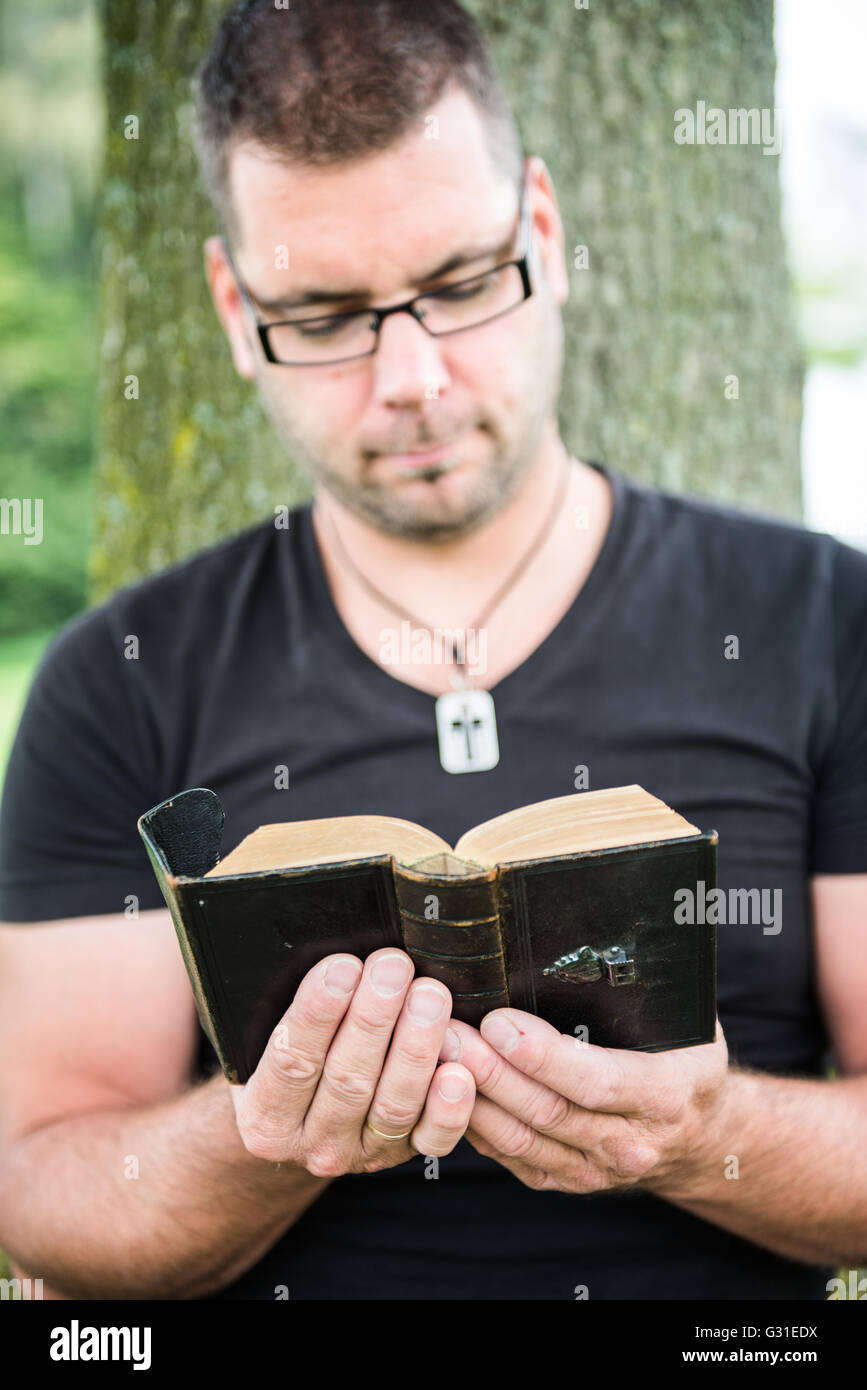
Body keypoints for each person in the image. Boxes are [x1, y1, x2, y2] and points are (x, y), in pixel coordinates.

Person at [0, 0, 865, 1302]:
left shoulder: (824, 620)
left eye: (461, 284)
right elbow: (43, 1197)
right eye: (327, 315)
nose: (409, 377)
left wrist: (707, 1138)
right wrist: (266, 1133)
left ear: (546, 233)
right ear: (236, 309)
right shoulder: (115, 680)